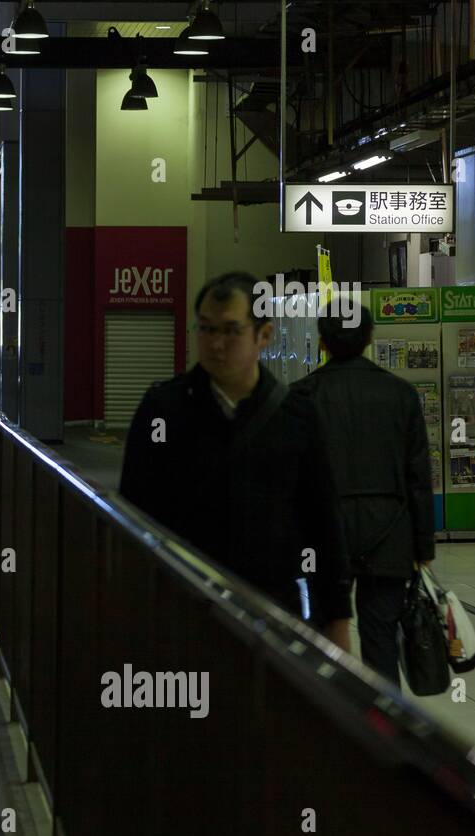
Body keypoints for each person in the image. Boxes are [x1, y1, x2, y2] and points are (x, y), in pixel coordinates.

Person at [119, 272, 353, 649]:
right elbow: (134, 511)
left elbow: (323, 520)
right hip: (185, 613)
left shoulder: (295, 416)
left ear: (264, 335)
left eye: (231, 331)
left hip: (276, 614)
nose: (215, 344)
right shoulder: (163, 409)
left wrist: (338, 620)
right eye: (206, 329)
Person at [290, 305, 435, 684]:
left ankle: (330, 719)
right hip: (388, 533)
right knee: (381, 643)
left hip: (322, 536)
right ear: (370, 338)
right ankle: (385, 730)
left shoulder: (300, 397)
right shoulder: (401, 395)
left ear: (321, 343)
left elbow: (290, 478)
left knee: (324, 637)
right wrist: (423, 546)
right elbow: (418, 476)